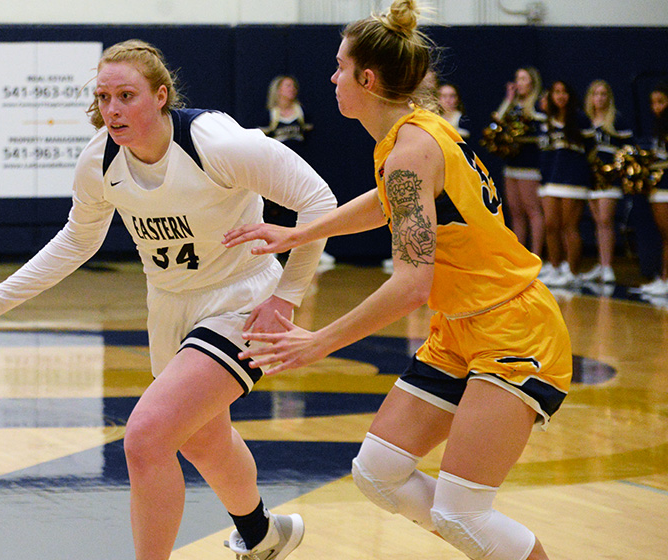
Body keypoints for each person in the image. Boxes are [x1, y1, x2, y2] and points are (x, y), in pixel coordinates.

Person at [0, 39, 337, 560]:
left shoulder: (216, 143)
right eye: (104, 97)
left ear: (160, 96)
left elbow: (318, 200)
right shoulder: (100, 161)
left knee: (146, 437)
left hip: (241, 297)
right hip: (169, 304)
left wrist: (288, 296)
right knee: (201, 438)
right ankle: (262, 534)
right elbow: (77, 238)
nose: (113, 110)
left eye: (126, 96)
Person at [222, 3, 572, 560]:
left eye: (339, 67)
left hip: (513, 330)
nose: (332, 77)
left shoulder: (409, 151)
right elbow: (391, 200)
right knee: (379, 473)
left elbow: (411, 285)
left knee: (462, 513)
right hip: (460, 328)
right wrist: (299, 233)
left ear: (367, 78)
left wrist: (318, 341)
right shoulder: (409, 138)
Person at [260, 75, 337, 271]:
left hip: (301, 169)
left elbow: (309, 141)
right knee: (274, 208)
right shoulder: (269, 114)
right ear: (277, 90)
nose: (291, 89)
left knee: (307, 207)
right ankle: (272, 247)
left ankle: (313, 249)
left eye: (293, 86)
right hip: (277, 170)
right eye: (287, 86)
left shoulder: (302, 113)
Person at [537, 80, 594, 288]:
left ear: (570, 95)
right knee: (551, 225)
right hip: (549, 180)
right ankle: (555, 267)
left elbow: (590, 148)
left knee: (569, 226)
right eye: (556, 92)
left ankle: (573, 271)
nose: (560, 96)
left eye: (564, 92)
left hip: (573, 180)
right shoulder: (546, 121)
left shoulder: (580, 119)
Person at [581, 79, 632, 285]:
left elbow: (628, 149)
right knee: (597, 222)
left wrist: (617, 170)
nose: (599, 98)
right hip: (590, 178)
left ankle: (608, 266)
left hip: (609, 179)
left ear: (608, 98)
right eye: (595, 94)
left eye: (603, 94)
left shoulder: (617, 121)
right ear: (590, 98)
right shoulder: (585, 121)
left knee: (605, 221)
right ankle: (601, 265)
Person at [494, 67, 547, 258]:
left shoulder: (539, 105)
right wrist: (508, 99)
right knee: (515, 212)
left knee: (532, 210)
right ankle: (519, 256)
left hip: (530, 166)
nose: (519, 82)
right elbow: (497, 121)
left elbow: (543, 126)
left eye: (523, 79)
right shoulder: (513, 105)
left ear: (532, 82)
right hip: (512, 165)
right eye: (517, 78)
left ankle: (536, 255)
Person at [637, 83, 668, 295]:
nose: (656, 107)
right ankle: (664, 278)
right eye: (653, 103)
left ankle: (665, 279)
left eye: (661, 102)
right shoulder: (658, 127)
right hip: (659, 188)